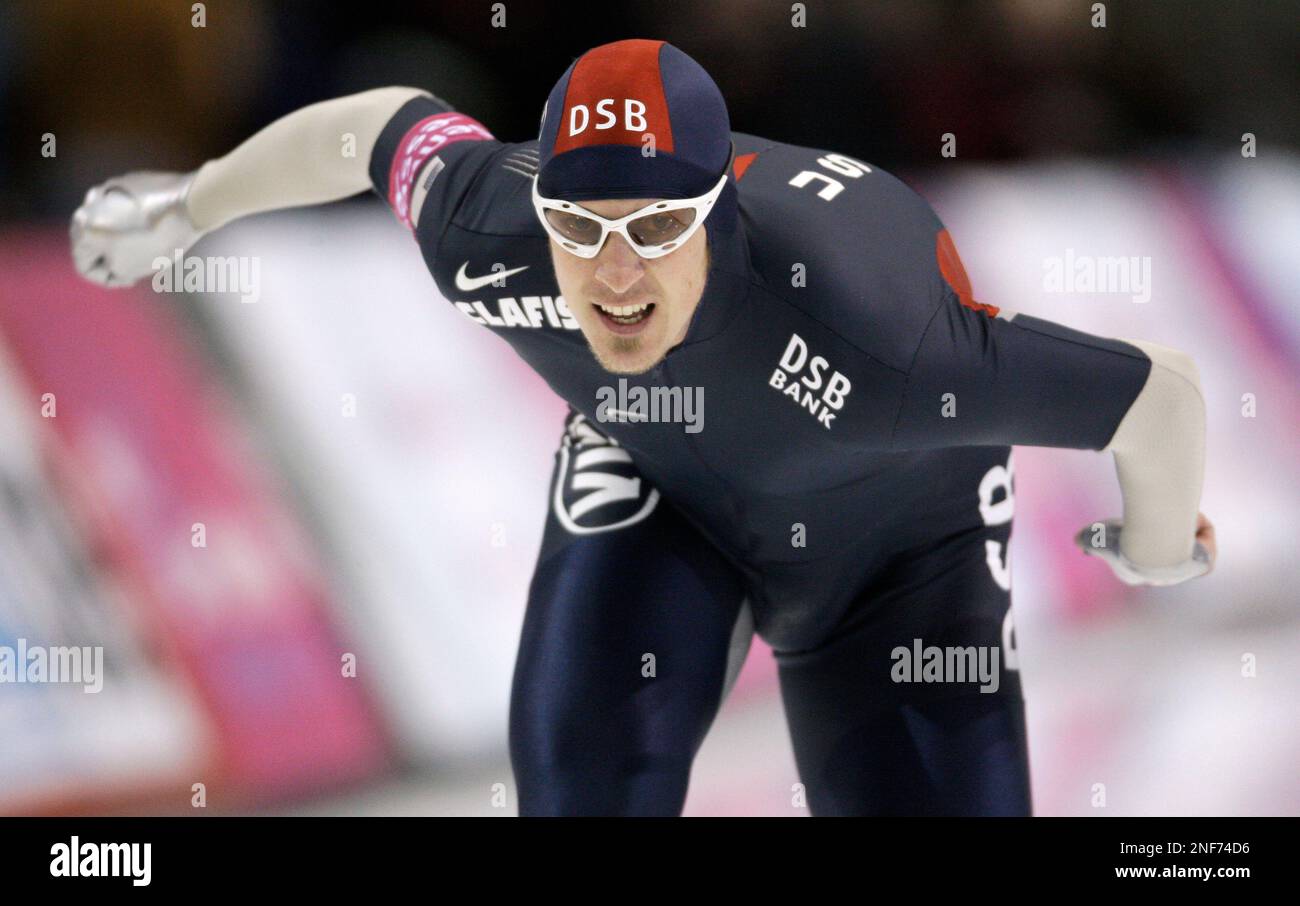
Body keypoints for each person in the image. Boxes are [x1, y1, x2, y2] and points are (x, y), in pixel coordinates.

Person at [70, 38, 1216, 816]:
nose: (614, 274)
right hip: (655, 471)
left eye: (659, 226)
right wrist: (188, 204)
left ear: (718, 212)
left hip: (897, 561)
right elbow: (372, 130)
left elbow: (1156, 392)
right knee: (584, 789)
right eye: (579, 221)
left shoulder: (882, 347)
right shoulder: (485, 226)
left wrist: (1158, 547)